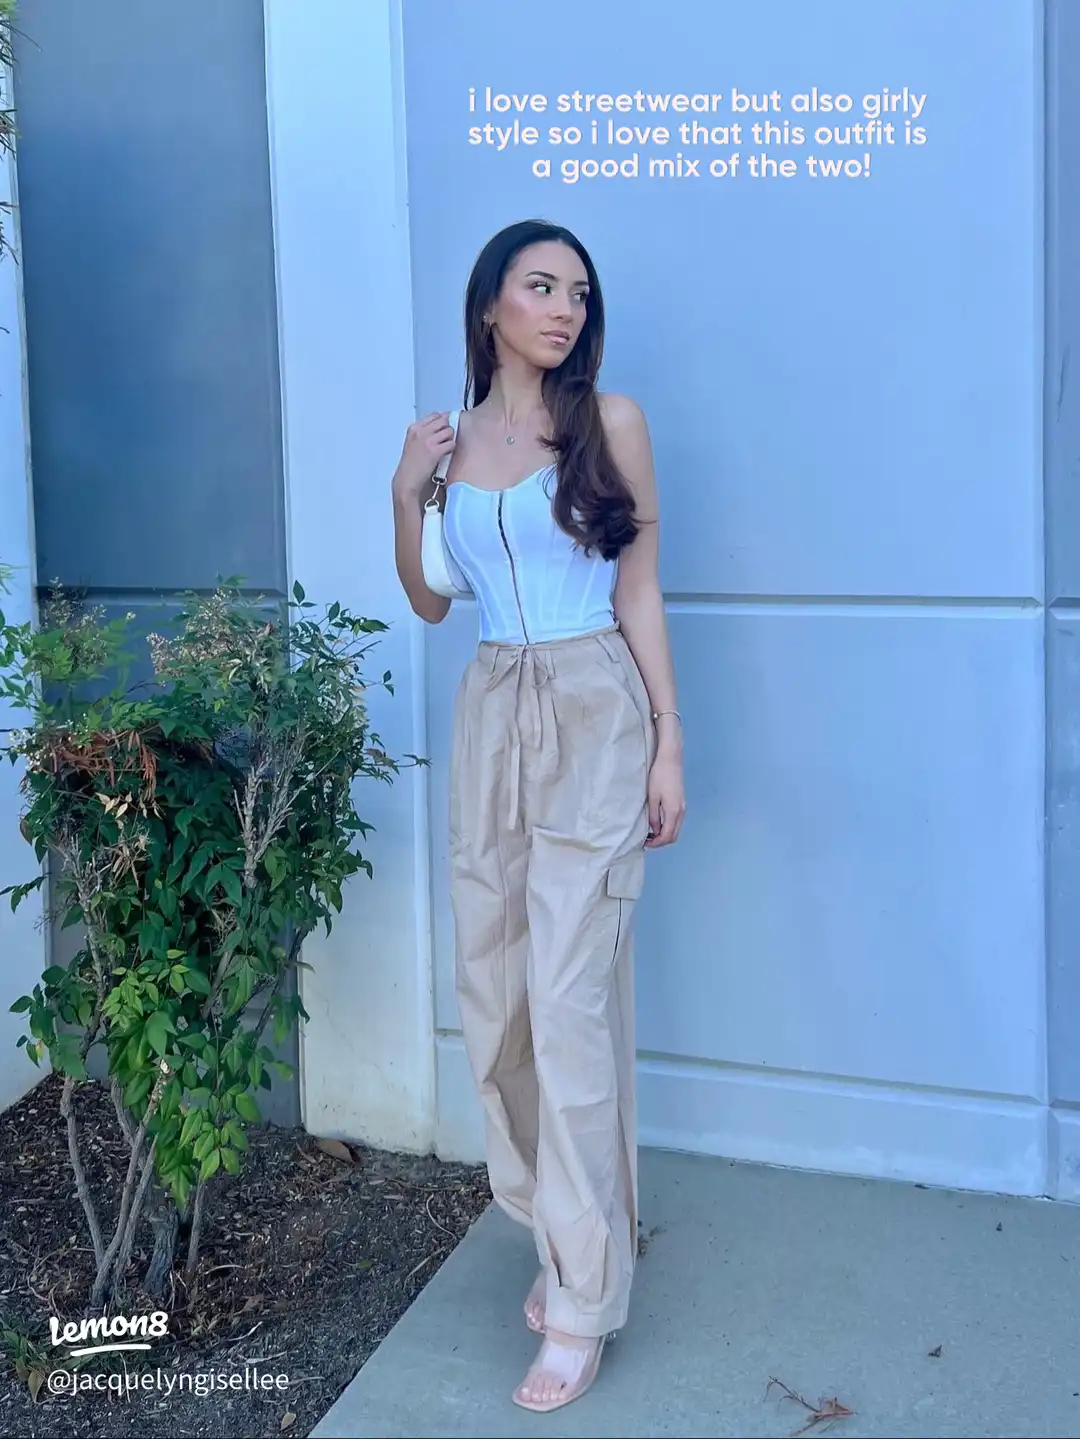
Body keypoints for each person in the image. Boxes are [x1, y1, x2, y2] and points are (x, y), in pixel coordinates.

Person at [391, 218, 685, 1414]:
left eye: (577, 291)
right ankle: (570, 1227)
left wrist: (670, 737)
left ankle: (580, 1295)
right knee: (497, 989)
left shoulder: (611, 424)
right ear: (489, 308)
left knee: (569, 1002)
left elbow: (640, 584)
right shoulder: (451, 443)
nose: (563, 307)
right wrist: (403, 490)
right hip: (492, 711)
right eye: (539, 286)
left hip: (594, 709)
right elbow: (428, 598)